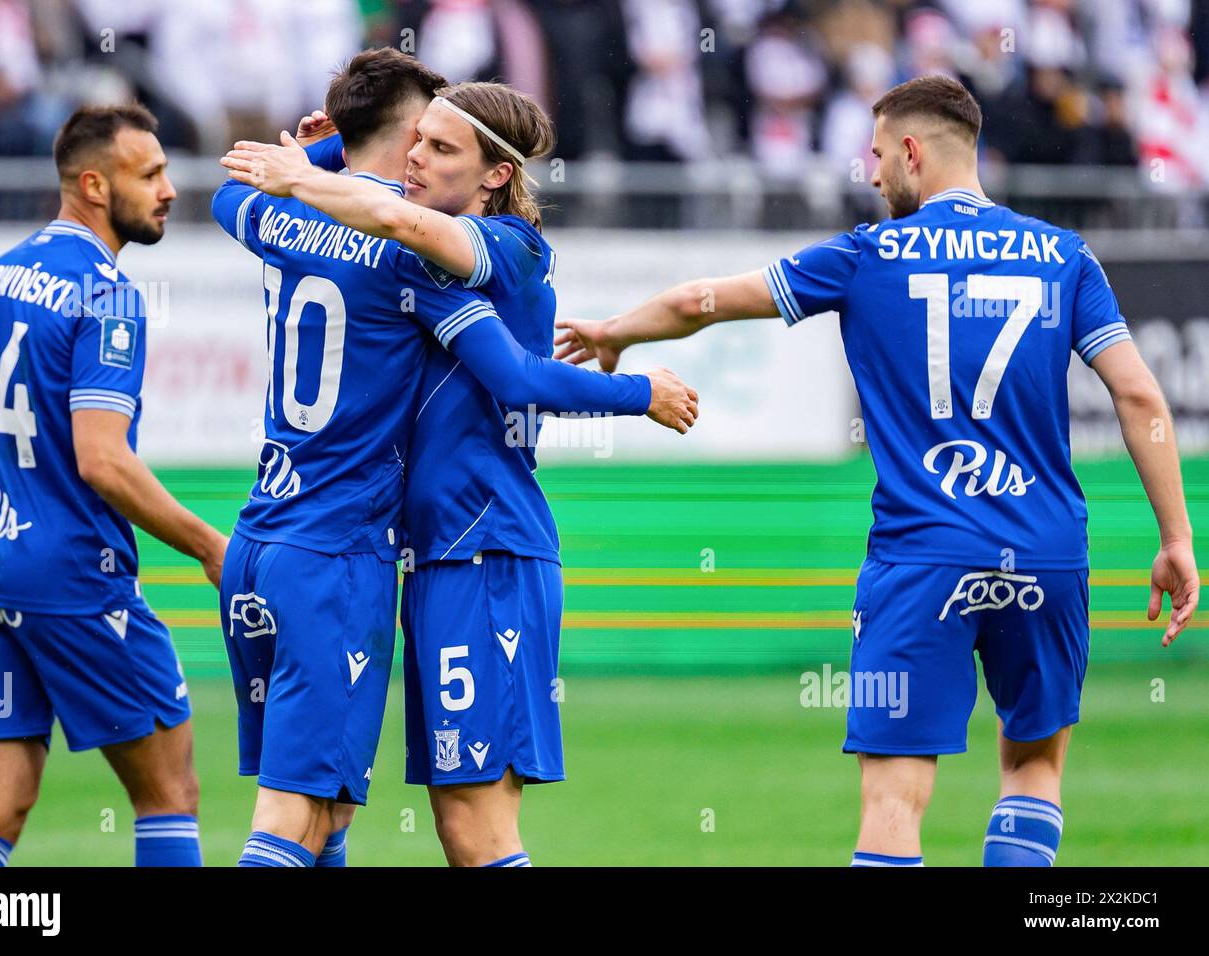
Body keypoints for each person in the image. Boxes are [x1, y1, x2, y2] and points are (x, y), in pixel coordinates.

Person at [554, 75, 1199, 867]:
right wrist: (1175, 536)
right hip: (1045, 550)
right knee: (1032, 766)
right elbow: (1138, 393)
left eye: (876, 155)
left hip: (921, 556)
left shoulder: (865, 256)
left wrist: (616, 333)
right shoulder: (1065, 257)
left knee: (894, 799)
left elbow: (700, 300)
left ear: (911, 153)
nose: (870, 173)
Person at [211, 48, 697, 868]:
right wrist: (329, 158)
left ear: (497, 175)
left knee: (455, 828)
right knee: (328, 813)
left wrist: (308, 164)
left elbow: (514, 374)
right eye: (416, 140)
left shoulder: (499, 249)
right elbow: (414, 245)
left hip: (480, 549)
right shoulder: (416, 263)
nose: (417, 160)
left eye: (441, 149)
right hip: (385, 552)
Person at [0, 104, 228, 868]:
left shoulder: (1, 273)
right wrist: (209, 546)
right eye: (151, 174)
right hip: (69, 576)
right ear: (95, 185)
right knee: (169, 794)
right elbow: (103, 460)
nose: (169, 189)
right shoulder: (106, 294)